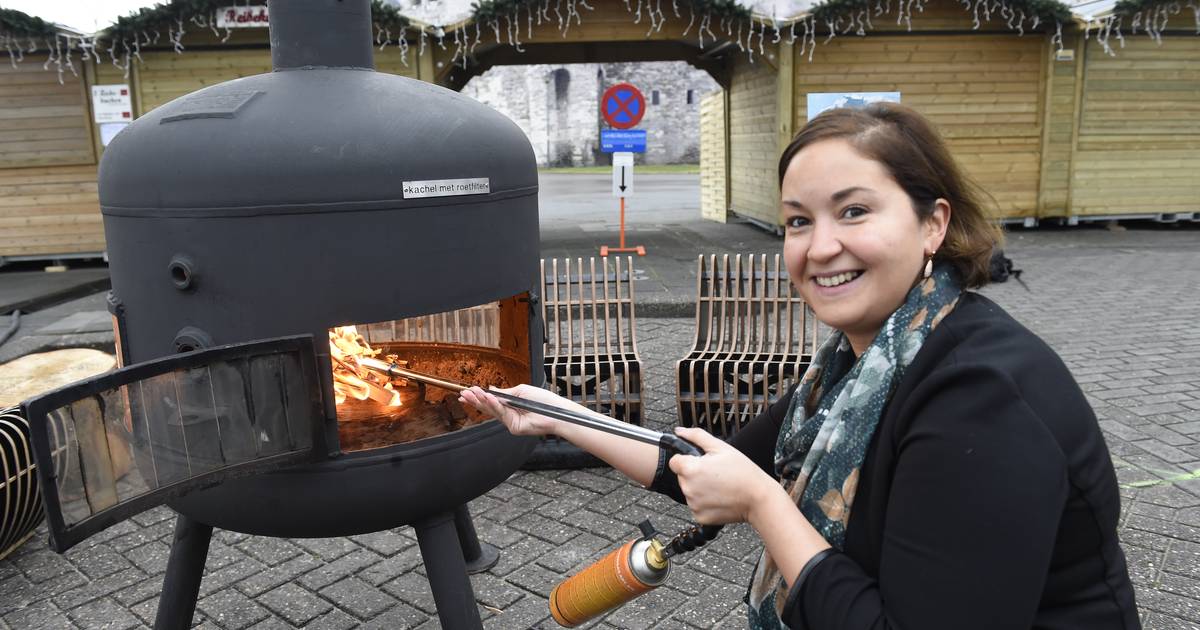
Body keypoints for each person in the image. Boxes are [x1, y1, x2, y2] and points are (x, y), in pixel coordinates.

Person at [461, 103, 1139, 629]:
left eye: (854, 211)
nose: (820, 248)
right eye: (797, 221)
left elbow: (753, 489)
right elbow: (706, 466)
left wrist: (763, 504)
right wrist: (558, 415)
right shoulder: (855, 368)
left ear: (933, 223)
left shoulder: (980, 398)